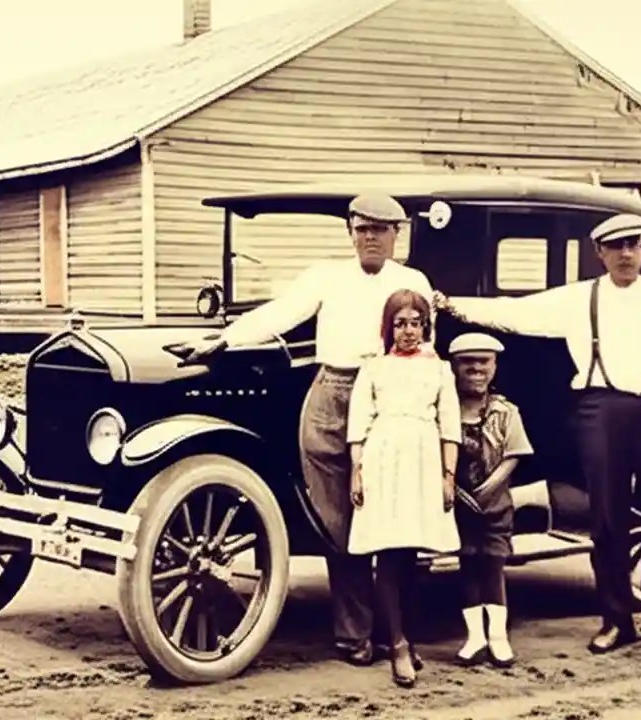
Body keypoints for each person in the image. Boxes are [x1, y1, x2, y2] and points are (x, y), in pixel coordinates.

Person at [434, 213, 641, 654]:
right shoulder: (578, 299)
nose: (626, 254)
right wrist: (447, 302)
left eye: (634, 244)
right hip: (600, 408)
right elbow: (513, 312)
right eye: (616, 246)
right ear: (599, 252)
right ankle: (616, 621)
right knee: (607, 518)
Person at [179, 193, 435, 667]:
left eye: (381, 230)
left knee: (391, 520)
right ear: (350, 233)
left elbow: (424, 344)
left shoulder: (412, 281)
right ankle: (353, 636)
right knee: (339, 523)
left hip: (389, 398)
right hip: (331, 397)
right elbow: (279, 314)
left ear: (397, 234)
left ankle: (396, 633)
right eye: (362, 229)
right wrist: (222, 340)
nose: (371, 238)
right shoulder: (325, 276)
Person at [345, 289, 461, 688]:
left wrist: (448, 476)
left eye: (415, 323)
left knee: (411, 556)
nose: (408, 331)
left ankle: (403, 636)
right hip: (383, 459)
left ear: (426, 327)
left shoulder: (439, 370)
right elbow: (358, 424)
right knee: (389, 553)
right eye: (400, 324)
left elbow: (450, 427)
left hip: (423, 460)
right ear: (388, 328)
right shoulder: (374, 368)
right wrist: (357, 471)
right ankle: (396, 644)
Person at [446, 332, 534, 668]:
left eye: (484, 362)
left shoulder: (505, 412)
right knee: (468, 564)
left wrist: (490, 485)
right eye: (467, 362)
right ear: (454, 367)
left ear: (495, 366)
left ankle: (498, 636)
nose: (476, 369)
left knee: (494, 564)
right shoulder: (446, 411)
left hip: (495, 506)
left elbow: (515, 453)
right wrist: (454, 488)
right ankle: (475, 637)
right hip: (459, 505)